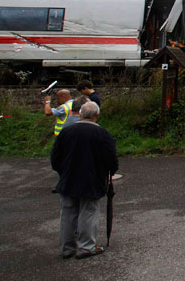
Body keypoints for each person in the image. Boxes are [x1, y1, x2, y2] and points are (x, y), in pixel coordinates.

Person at [50, 101, 118, 260]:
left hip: (68, 177)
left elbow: (55, 156)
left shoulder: (66, 132)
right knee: (88, 212)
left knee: (68, 212)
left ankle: (67, 248)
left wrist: (61, 171)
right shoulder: (102, 134)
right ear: (97, 115)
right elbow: (111, 158)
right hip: (91, 178)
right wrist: (111, 170)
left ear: (80, 114)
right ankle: (86, 247)